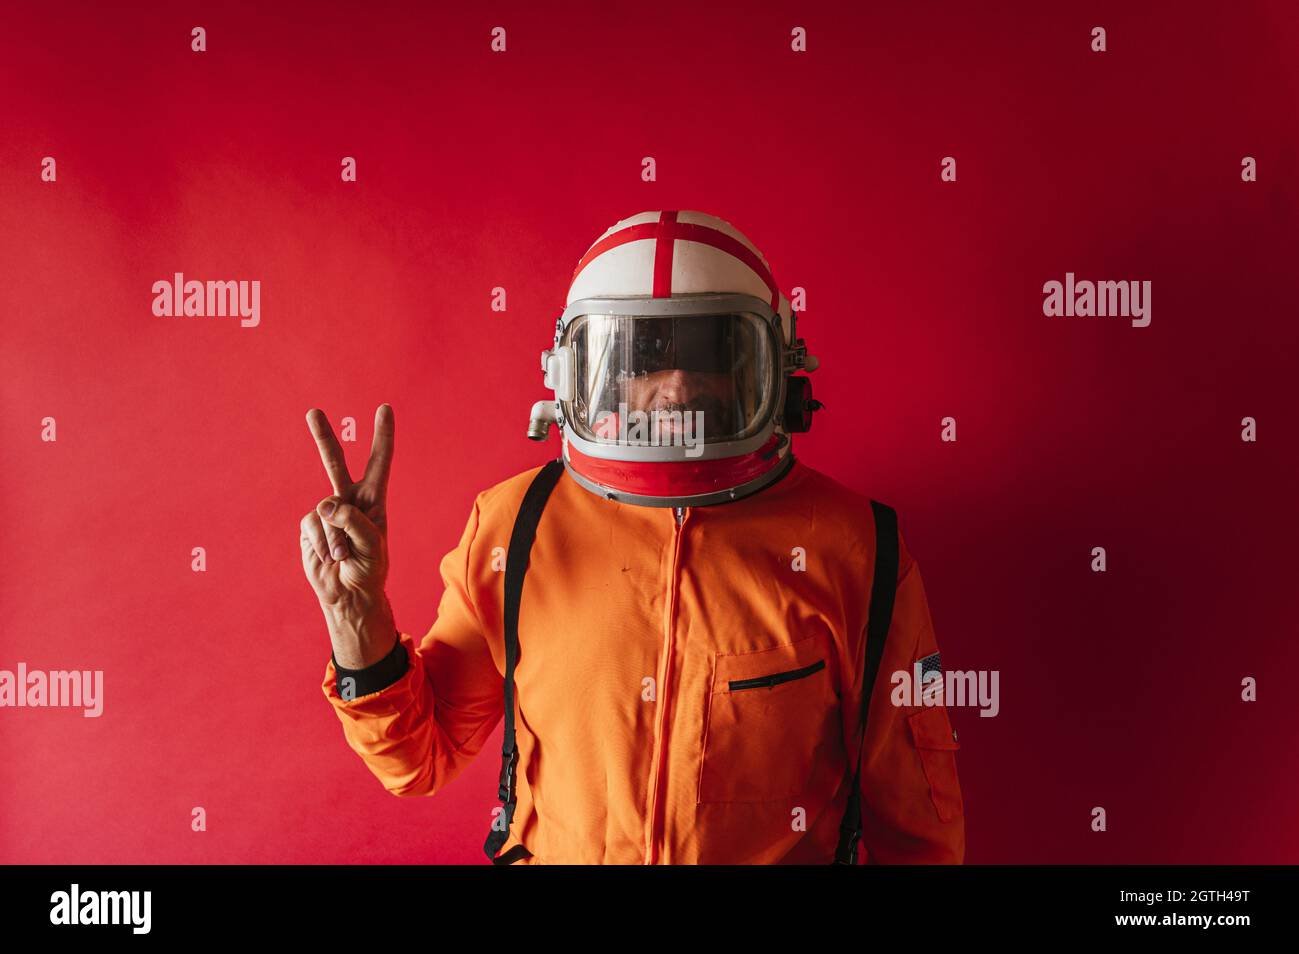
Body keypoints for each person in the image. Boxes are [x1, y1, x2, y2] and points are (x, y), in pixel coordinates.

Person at [300, 209, 965, 864]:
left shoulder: (856, 548)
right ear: (573, 374)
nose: (675, 386)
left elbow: (918, 829)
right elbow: (420, 761)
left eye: (707, 354)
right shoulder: (514, 528)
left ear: (773, 368)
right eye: (647, 358)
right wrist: (355, 621)